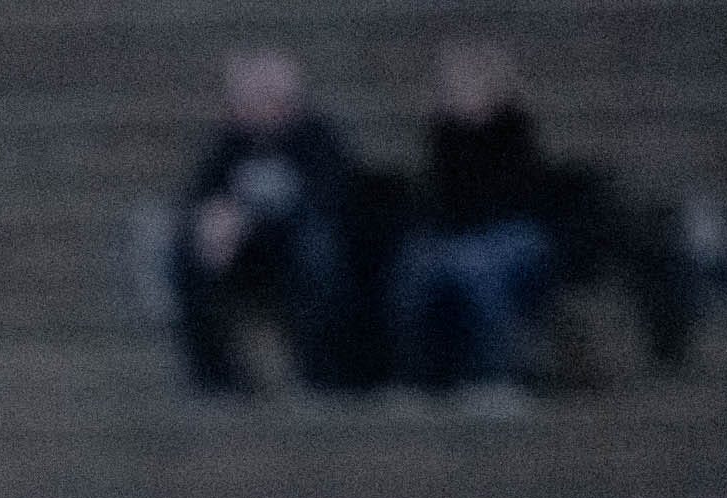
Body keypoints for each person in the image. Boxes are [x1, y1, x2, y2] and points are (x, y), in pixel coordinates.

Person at [172, 50, 368, 395]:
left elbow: (329, 203)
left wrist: (250, 222)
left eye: (268, 97)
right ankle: (215, 377)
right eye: (249, 98)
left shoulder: (317, 139)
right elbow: (200, 198)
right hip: (242, 258)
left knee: (319, 254)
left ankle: (322, 374)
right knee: (187, 255)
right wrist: (212, 225)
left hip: (295, 253)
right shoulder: (228, 144)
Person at [388, 41, 562, 403]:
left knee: (479, 270)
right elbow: (436, 199)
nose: (456, 91)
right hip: (455, 237)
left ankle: (495, 377)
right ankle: (417, 377)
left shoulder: (513, 130)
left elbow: (507, 198)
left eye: (465, 82)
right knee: (414, 268)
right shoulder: (444, 134)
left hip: (511, 236)